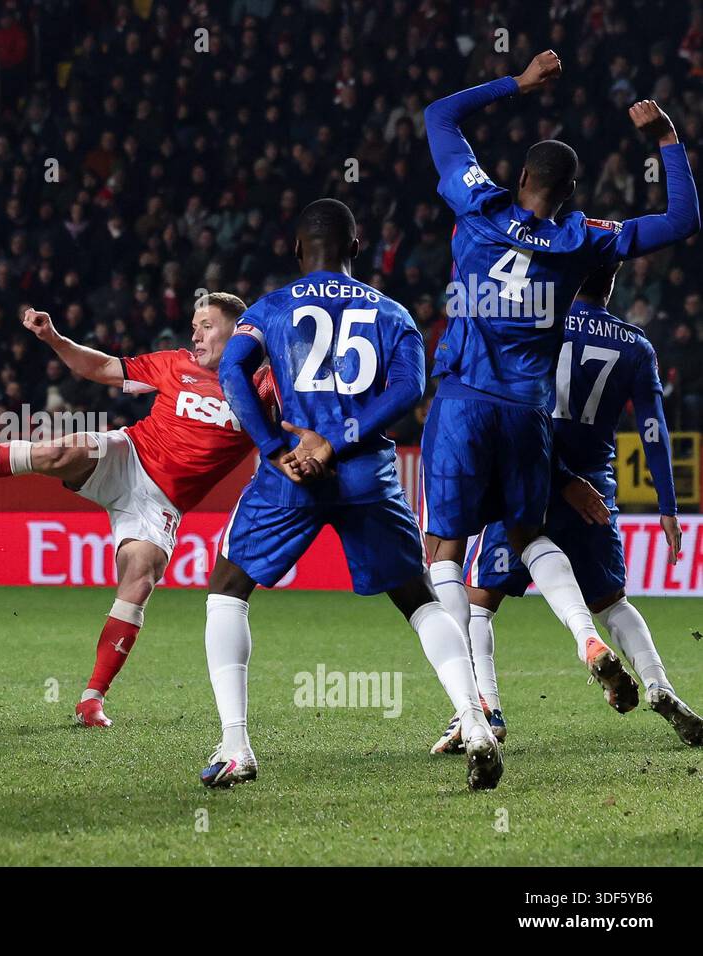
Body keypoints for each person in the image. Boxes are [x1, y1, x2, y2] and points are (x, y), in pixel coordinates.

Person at [419, 52, 700, 726]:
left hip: (462, 401)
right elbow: (681, 222)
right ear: (572, 194)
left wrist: (515, 85)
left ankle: (475, 707)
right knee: (529, 534)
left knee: (447, 556)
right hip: (528, 416)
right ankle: (589, 641)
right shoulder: (584, 240)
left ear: (518, 178)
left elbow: (438, 114)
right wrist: (666, 139)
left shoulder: (476, 202)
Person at [202, 197, 504, 791]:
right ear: (357, 248)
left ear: (297, 250)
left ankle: (236, 745)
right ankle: (474, 723)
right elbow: (411, 388)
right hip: (366, 472)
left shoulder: (269, 309)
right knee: (418, 599)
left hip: (290, 474)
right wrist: (337, 442)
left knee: (228, 589)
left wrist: (274, 447)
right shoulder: (393, 313)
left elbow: (233, 372)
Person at [0, 293, 273, 728]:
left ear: (239, 331)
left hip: (162, 503)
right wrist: (54, 338)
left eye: (207, 325)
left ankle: (92, 698)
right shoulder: (175, 364)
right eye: (194, 324)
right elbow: (101, 367)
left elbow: (296, 427)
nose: (195, 334)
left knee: (140, 576)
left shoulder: (264, 389)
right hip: (130, 456)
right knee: (68, 448)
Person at [447, 263, 702, 749]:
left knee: (478, 604)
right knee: (614, 603)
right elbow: (653, 429)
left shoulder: (535, 326)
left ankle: (489, 712)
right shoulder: (635, 344)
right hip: (594, 494)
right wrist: (667, 505)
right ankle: (661, 688)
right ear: (612, 283)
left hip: (529, 483)